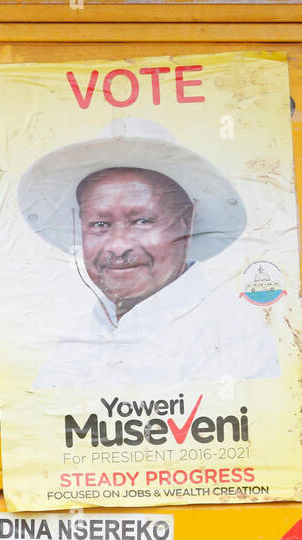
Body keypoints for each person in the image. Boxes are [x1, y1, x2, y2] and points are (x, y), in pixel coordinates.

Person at [17, 118, 280, 386]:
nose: (118, 246)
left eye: (142, 221)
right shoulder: (74, 347)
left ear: (185, 224)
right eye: (99, 224)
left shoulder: (232, 340)